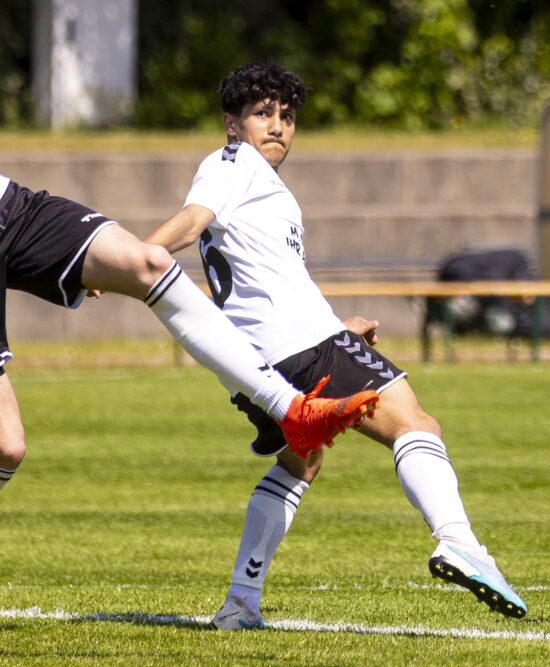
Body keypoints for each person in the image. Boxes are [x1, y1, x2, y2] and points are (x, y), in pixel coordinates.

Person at [144, 61, 526, 629]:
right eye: (262, 114)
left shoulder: (263, 186)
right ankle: (460, 542)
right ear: (231, 123)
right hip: (298, 349)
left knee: (302, 461)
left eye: (287, 116)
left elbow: (269, 280)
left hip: (259, 362)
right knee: (416, 424)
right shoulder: (233, 164)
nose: (277, 126)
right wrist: (132, 257)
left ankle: (241, 602)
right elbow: (191, 222)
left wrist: (337, 325)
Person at [0, 174, 377, 498]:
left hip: (9, 204)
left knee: (150, 262)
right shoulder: (228, 166)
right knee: (7, 446)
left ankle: (294, 412)